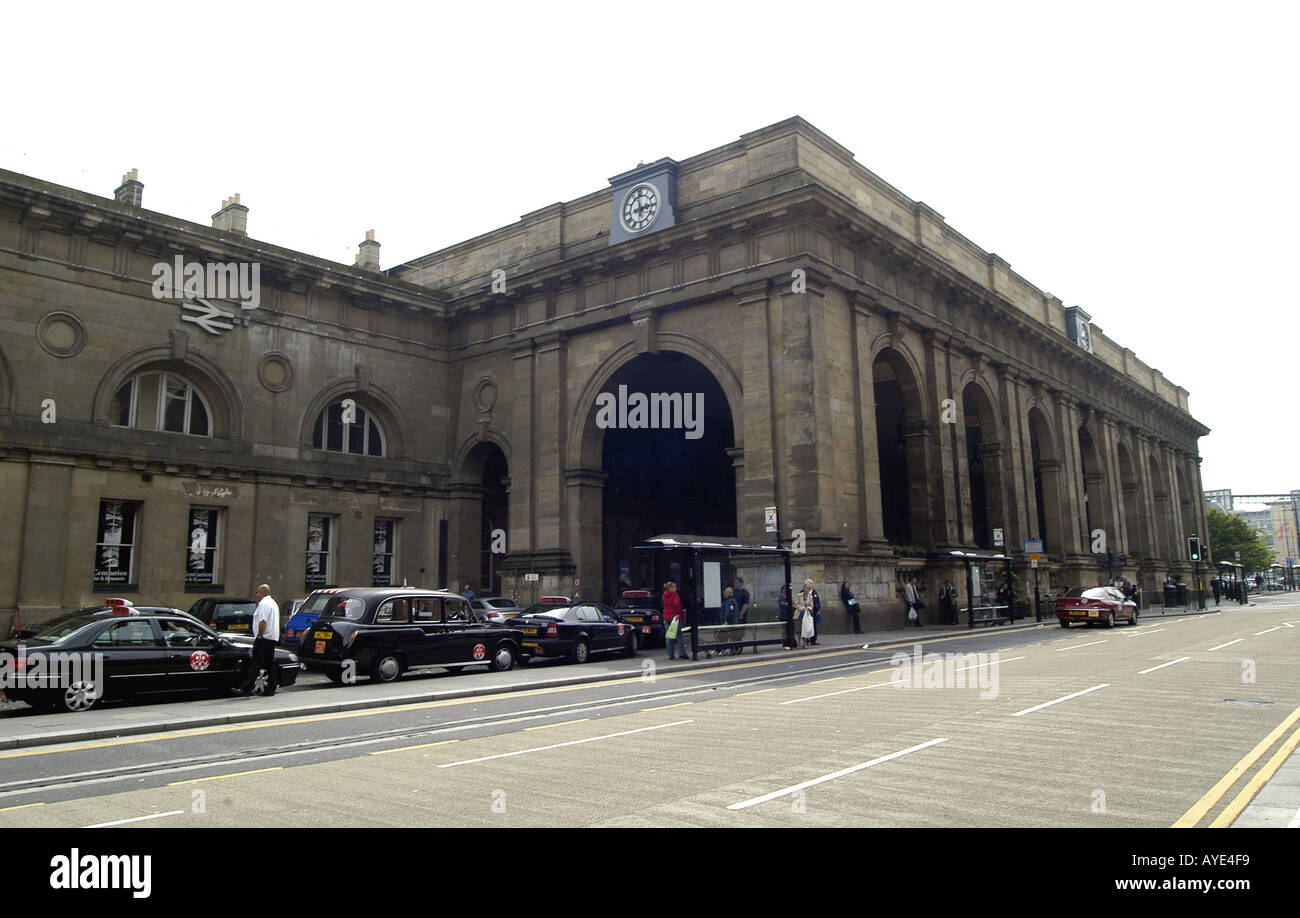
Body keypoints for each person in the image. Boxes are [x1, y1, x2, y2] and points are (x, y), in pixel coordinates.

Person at [237, 583, 280, 696]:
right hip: (271, 638)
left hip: (264, 638)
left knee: (255, 663)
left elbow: (262, 622)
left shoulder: (264, 604)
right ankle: (271, 688)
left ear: (262, 592)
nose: (256, 595)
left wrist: (260, 636)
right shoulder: (273, 603)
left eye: (257, 592)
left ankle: (246, 688)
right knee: (270, 664)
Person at [662, 580, 689, 661]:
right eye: (674, 587)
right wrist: (678, 614)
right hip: (675, 617)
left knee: (670, 636)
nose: (676, 588)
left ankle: (671, 655)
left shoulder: (664, 596)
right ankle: (682, 653)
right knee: (679, 635)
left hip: (667, 617)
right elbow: (677, 605)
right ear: (670, 588)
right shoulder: (675, 595)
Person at [796, 579, 818, 649]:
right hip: (800, 613)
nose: (807, 590)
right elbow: (796, 604)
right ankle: (798, 643)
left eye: (809, 588)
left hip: (807, 614)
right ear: (804, 588)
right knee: (799, 629)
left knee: (806, 629)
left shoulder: (811, 596)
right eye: (806, 588)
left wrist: (808, 608)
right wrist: (802, 608)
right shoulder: (799, 595)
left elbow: (812, 605)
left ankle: (805, 643)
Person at [778, 584, 795, 649]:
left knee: (791, 629)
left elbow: (793, 603)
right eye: (785, 589)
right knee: (784, 630)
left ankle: (791, 641)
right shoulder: (781, 597)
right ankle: (785, 642)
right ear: (782, 590)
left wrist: (791, 605)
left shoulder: (788, 596)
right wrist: (790, 605)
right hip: (784, 616)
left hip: (790, 616)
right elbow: (783, 605)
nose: (786, 591)